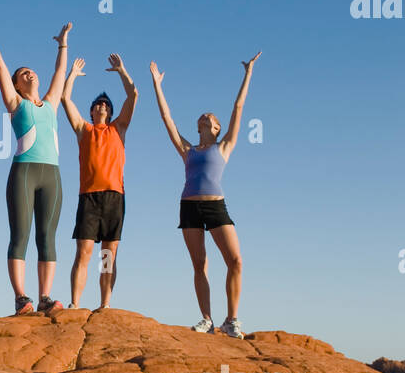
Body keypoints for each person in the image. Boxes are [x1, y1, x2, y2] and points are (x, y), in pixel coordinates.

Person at [149, 53, 261, 338]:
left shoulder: (224, 147)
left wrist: (248, 72)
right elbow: (167, 118)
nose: (206, 116)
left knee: (235, 261)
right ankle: (207, 319)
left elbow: (238, 107)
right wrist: (157, 84)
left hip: (215, 207)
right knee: (199, 264)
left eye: (211, 117)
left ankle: (231, 320)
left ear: (217, 128)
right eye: (203, 116)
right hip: (188, 208)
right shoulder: (188, 150)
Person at [0, 15, 70, 314]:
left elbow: (60, 71)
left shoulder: (52, 104)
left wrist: (63, 43)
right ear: (16, 85)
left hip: (51, 175)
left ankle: (44, 298)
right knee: (20, 235)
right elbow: (0, 67)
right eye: (23, 73)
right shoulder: (16, 104)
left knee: (48, 237)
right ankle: (21, 298)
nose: (30, 74)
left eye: (31, 71)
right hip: (24, 173)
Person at [61, 51, 138, 309]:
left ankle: (105, 306)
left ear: (111, 111)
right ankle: (75, 304)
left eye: (106, 104)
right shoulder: (84, 130)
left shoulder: (119, 128)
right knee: (83, 252)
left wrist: (122, 72)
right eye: (97, 104)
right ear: (92, 111)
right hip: (89, 198)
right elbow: (64, 98)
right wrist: (72, 75)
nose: (102, 106)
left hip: (114, 197)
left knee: (108, 255)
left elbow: (133, 95)